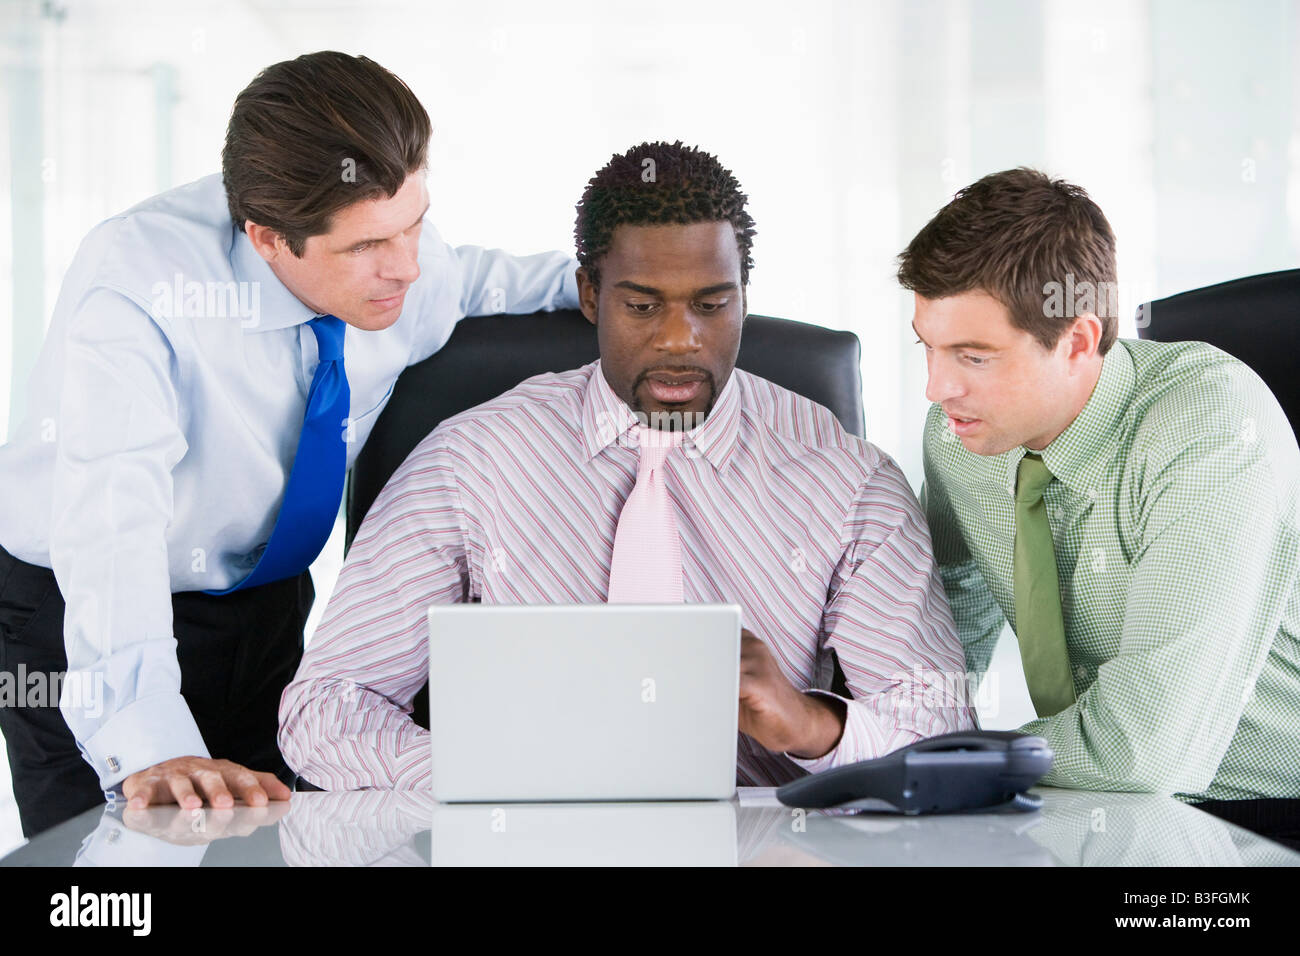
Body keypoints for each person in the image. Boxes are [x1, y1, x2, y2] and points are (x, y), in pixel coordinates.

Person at [0, 51, 578, 836]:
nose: (407, 268)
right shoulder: (139, 284)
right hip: (86, 609)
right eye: (367, 246)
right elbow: (111, 518)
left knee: (270, 844)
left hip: (266, 603)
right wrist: (150, 743)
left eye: (414, 223)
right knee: (128, 859)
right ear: (268, 238)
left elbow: (479, 280)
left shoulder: (402, 263)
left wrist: (604, 280)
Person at [278, 141, 975, 789]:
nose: (679, 339)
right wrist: (500, 780)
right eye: (642, 305)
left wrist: (811, 726)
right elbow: (326, 708)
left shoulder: (849, 480)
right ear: (591, 295)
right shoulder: (472, 462)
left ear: (744, 295)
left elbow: (939, 726)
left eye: (712, 304)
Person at [902, 168, 1300, 813]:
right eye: (928, 347)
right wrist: (898, 745)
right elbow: (949, 617)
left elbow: (1145, 749)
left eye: (974, 356)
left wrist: (961, 762)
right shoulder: (958, 439)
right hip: (1086, 804)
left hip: (1260, 816)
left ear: (1078, 341)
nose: (937, 388)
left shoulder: (1210, 428)